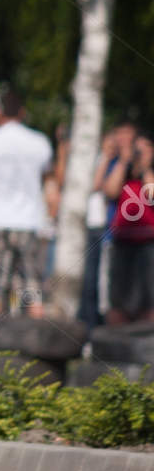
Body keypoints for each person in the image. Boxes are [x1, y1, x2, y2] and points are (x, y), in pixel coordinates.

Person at [0, 87, 54, 317]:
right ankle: (41, 350)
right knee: (33, 294)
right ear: (22, 112)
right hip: (30, 222)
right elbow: (47, 177)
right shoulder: (40, 141)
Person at [82, 122, 134, 326]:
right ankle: (98, 332)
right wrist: (114, 159)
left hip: (137, 236)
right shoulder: (109, 161)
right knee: (96, 288)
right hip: (106, 232)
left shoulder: (138, 162)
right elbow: (105, 188)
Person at [105, 129, 154, 324]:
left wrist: (145, 169)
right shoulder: (122, 174)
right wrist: (124, 162)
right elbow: (110, 191)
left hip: (148, 245)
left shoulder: (149, 175)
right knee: (118, 303)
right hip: (122, 244)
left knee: (149, 303)